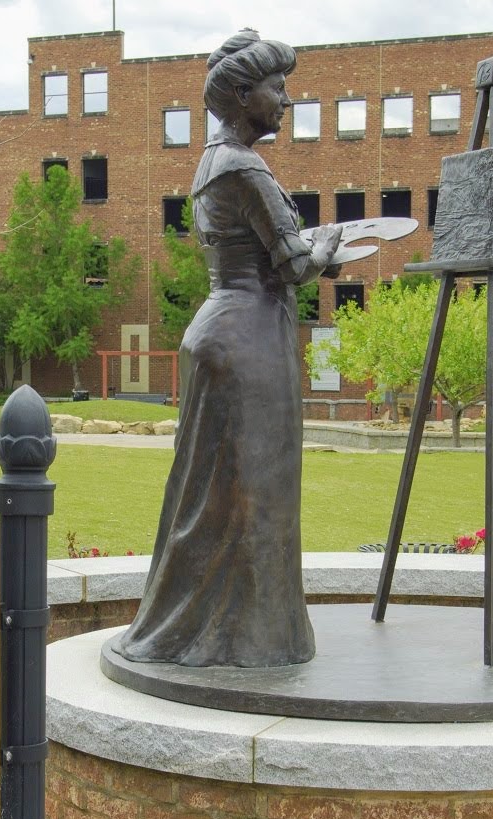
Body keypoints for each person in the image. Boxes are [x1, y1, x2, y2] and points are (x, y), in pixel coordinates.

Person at [107, 30, 343, 668]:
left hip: (224, 330)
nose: (286, 101)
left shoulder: (212, 161)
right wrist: (332, 247)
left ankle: (221, 633)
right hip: (250, 341)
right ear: (243, 95)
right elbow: (293, 265)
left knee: (216, 493)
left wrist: (307, 251)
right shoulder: (246, 167)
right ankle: (250, 642)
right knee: (253, 493)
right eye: (277, 89)